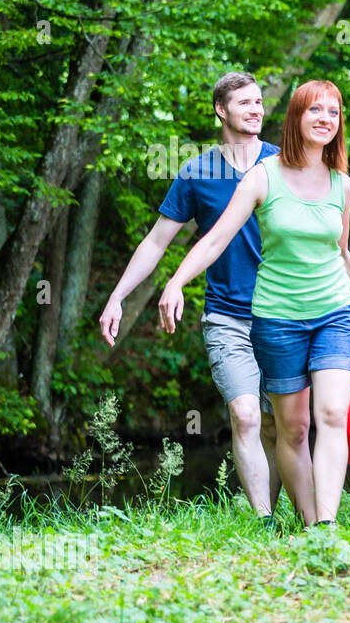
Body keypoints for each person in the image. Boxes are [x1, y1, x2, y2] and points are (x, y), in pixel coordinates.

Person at [157, 80, 350, 527]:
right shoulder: (263, 177)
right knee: (293, 428)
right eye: (315, 110)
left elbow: (340, 253)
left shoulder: (341, 184)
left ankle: (325, 526)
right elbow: (216, 239)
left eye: (334, 112)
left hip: (336, 313)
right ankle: (306, 522)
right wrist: (175, 281)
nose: (326, 119)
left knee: (331, 413)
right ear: (296, 118)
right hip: (277, 318)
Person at [99, 71, 282, 525]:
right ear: (222, 110)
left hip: (284, 314)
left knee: (282, 425)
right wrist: (118, 296)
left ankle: (288, 517)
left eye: (260, 102)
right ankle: (264, 522)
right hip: (227, 317)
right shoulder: (197, 172)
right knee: (245, 416)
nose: (256, 109)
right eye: (245, 102)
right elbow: (156, 242)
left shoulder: (284, 163)